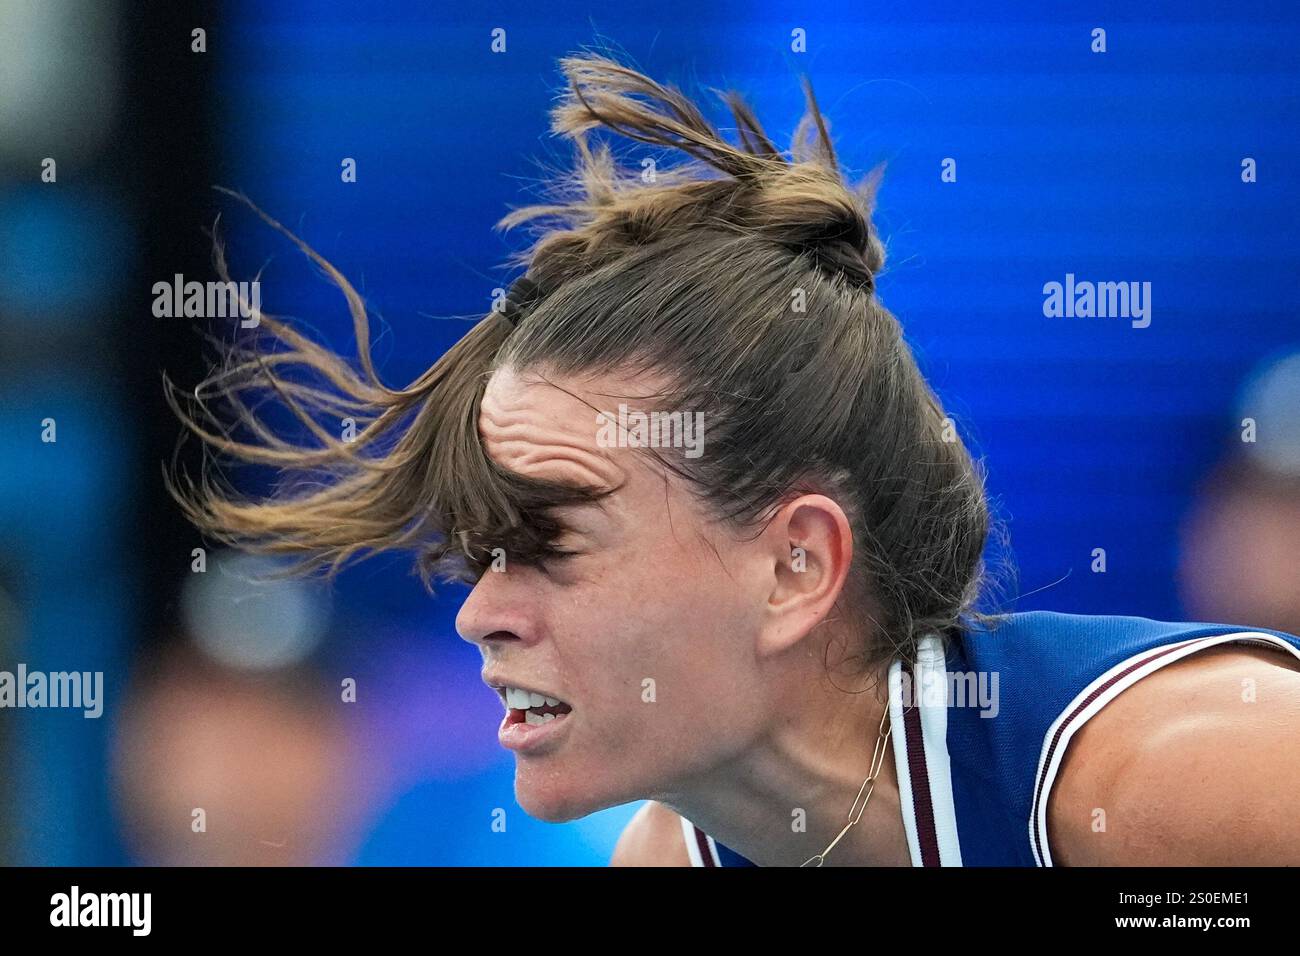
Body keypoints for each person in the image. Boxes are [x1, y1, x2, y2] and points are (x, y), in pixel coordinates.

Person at [169, 52, 1300, 866]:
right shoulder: (665, 856)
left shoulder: (1202, 779)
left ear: (796, 566)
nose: (480, 613)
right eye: (482, 556)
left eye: (548, 544)